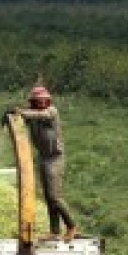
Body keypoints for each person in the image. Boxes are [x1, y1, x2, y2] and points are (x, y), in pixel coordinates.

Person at [12, 84, 77, 241]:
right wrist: (13, 116)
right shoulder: (32, 115)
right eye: (37, 101)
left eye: (44, 101)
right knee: (48, 197)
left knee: (55, 196)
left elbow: (43, 115)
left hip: (55, 158)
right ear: (33, 102)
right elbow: (22, 121)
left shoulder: (51, 111)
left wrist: (22, 113)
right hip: (43, 157)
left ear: (48, 101)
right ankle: (54, 231)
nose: (41, 104)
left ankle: (71, 226)